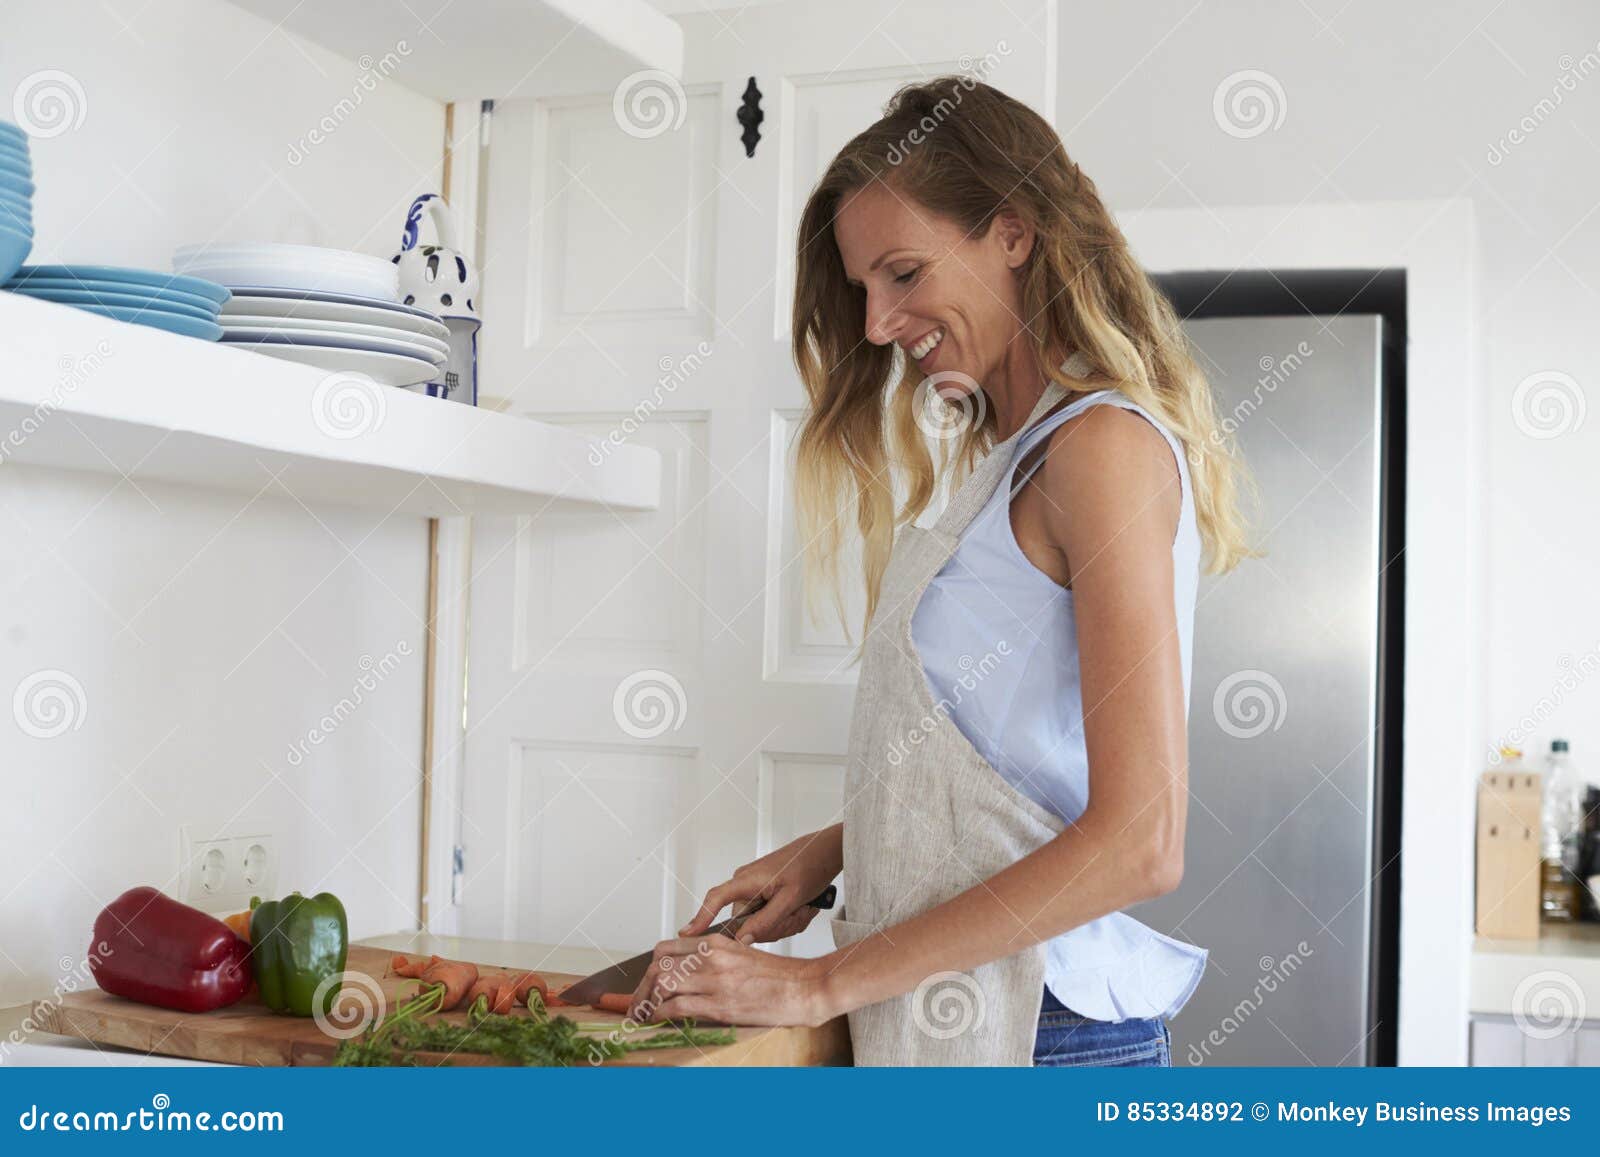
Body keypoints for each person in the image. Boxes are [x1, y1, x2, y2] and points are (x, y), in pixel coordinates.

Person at [628, 75, 1251, 1066]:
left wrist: (817, 979)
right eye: (863, 288)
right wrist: (840, 847)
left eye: (903, 274)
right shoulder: (1005, 458)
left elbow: (1142, 837)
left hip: (1048, 1038)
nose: (877, 324)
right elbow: (1013, 777)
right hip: (960, 1018)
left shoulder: (1097, 449)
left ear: (1012, 233)